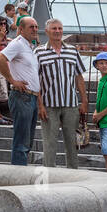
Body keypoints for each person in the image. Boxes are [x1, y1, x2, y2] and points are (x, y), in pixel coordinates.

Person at [35, 18, 87, 169]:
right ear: (47, 32)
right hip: (49, 105)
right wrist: (40, 105)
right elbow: (35, 80)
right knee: (49, 143)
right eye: (54, 29)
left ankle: (73, 173)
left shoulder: (72, 50)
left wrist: (83, 101)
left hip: (71, 104)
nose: (57, 31)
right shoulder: (39, 52)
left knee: (72, 143)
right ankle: (49, 174)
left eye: (60, 28)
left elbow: (79, 77)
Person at [0, 16, 42, 165]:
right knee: (22, 142)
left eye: (36, 26)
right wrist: (12, 80)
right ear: (21, 29)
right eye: (31, 27)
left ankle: (21, 171)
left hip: (31, 98)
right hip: (22, 96)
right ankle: (18, 174)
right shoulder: (18, 44)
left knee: (27, 141)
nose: (35, 29)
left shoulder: (29, 47)